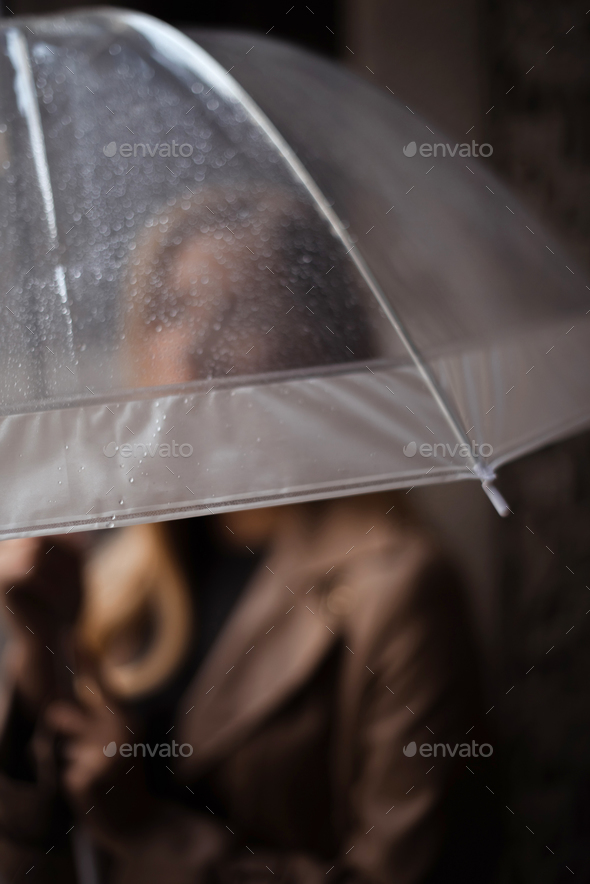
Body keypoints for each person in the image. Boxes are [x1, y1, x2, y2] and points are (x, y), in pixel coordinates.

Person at [0, 192, 481, 884]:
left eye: (237, 313)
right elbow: (31, 861)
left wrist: (155, 834)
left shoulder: (400, 596)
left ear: (320, 345)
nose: (192, 348)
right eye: (172, 308)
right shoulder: (117, 575)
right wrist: (42, 654)